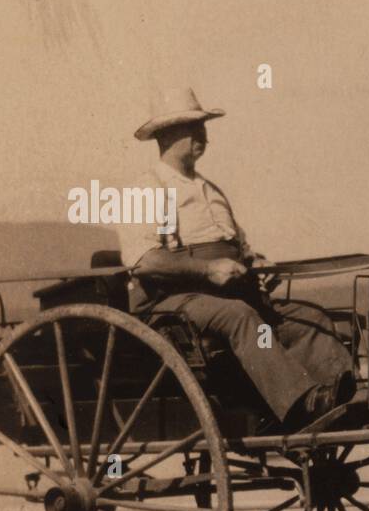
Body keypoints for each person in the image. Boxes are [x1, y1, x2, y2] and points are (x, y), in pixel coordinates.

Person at [118, 87, 355, 430]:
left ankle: (337, 398)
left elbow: (241, 248)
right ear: (166, 134)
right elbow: (144, 262)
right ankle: (299, 407)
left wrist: (257, 263)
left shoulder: (211, 190)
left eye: (203, 125)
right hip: (171, 304)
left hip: (226, 296)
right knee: (241, 317)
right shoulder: (147, 188)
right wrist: (208, 269)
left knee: (307, 319)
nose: (203, 134)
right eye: (193, 126)